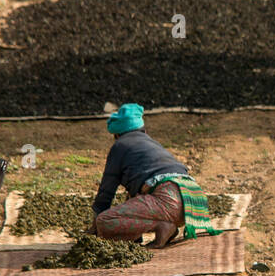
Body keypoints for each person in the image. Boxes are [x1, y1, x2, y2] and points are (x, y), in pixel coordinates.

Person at [89, 102, 219, 249]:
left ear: (117, 135)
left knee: (104, 221)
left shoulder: (120, 146)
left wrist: (95, 227)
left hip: (168, 200)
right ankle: (164, 225)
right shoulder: (151, 144)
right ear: (143, 130)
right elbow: (134, 198)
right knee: (134, 198)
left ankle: (162, 225)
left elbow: (106, 192)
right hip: (193, 201)